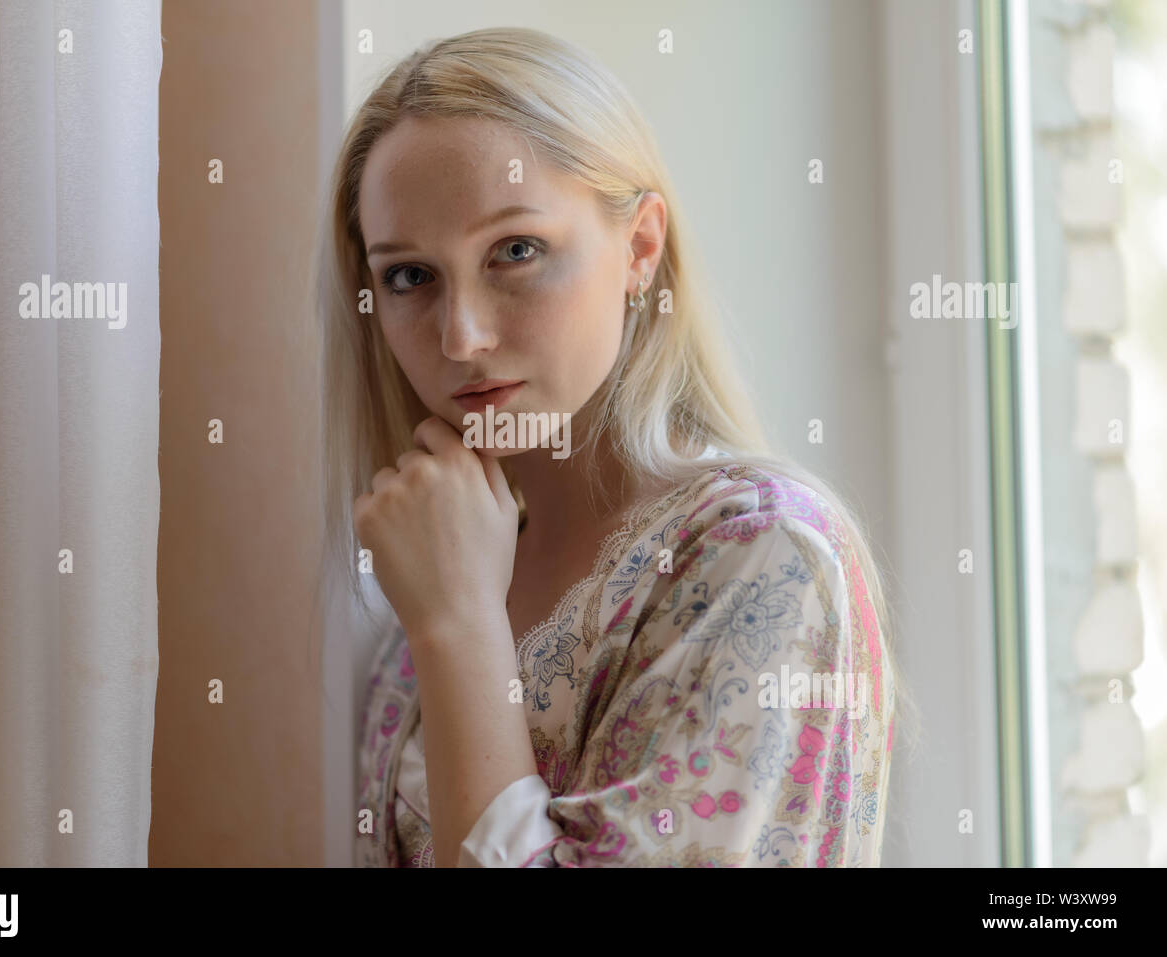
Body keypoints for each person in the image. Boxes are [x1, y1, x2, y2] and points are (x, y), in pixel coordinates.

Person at [315, 26, 909, 867]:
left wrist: (460, 630)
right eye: (411, 276)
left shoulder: (763, 554)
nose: (461, 336)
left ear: (639, 246)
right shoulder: (421, 593)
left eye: (515, 252)